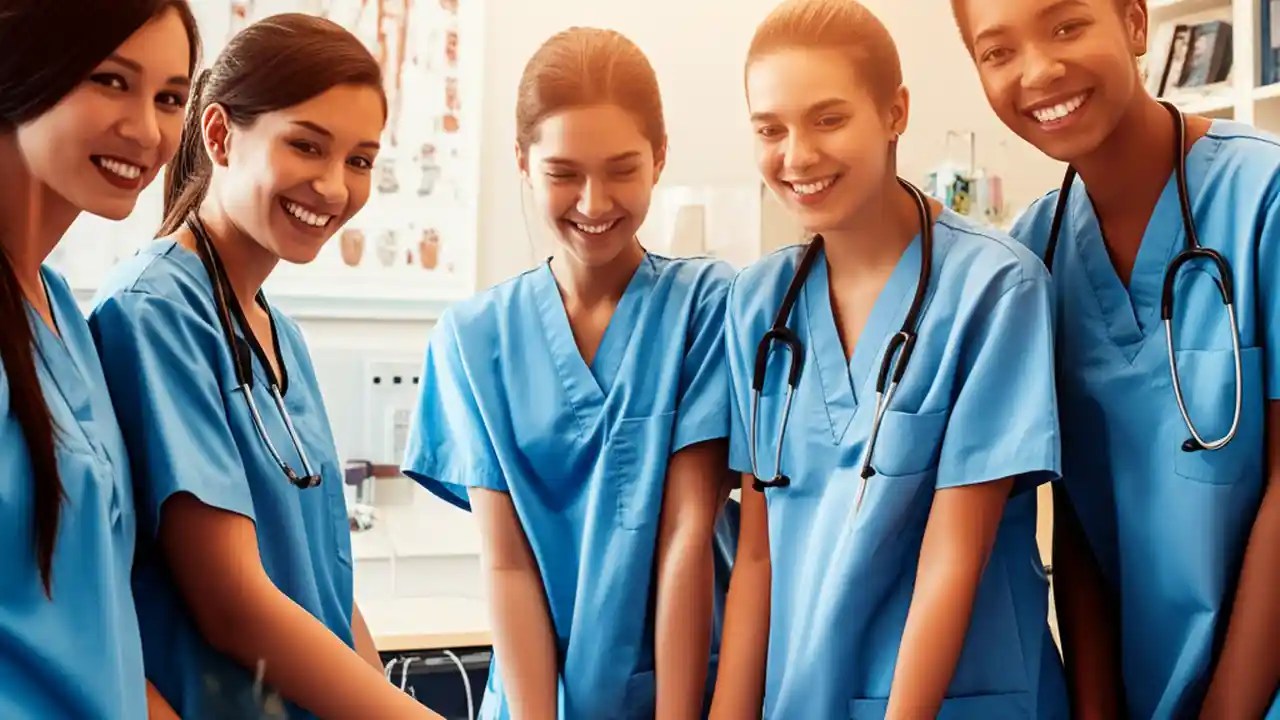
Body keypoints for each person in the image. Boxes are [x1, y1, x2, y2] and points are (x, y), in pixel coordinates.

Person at [709, 1, 1068, 718]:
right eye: (770, 129)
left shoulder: (994, 288)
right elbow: (756, 554)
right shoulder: (758, 304)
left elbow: (953, 556)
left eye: (828, 119)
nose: (797, 155)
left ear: (895, 112)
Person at [88, 14, 441, 720]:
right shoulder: (153, 312)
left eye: (360, 161)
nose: (334, 188)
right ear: (220, 136)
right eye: (306, 146)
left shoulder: (279, 334)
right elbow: (233, 605)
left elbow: (326, 588)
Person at [952, 0, 1280, 717]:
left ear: (1135, 22)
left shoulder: (1266, 197)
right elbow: (1072, 512)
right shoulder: (1031, 255)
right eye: (998, 51)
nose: (1039, 70)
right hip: (1140, 687)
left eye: (1066, 26)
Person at [401, 27, 735, 720]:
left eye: (621, 169)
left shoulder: (707, 307)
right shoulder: (473, 340)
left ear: (659, 157)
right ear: (523, 163)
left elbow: (686, 534)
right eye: (563, 174)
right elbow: (508, 563)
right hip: (536, 699)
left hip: (681, 693)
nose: (593, 202)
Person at [0, 2, 198, 718]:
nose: (147, 131)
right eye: (111, 81)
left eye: (169, 98)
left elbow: (97, 632)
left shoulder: (61, 313)